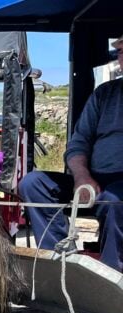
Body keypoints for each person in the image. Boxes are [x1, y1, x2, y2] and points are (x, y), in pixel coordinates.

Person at [20, 36, 123, 271]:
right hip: (93, 180)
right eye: (120, 52)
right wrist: (82, 176)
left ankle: (112, 277)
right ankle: (63, 263)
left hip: (117, 192)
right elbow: (78, 143)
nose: (121, 58)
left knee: (114, 200)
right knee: (33, 184)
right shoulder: (104, 94)